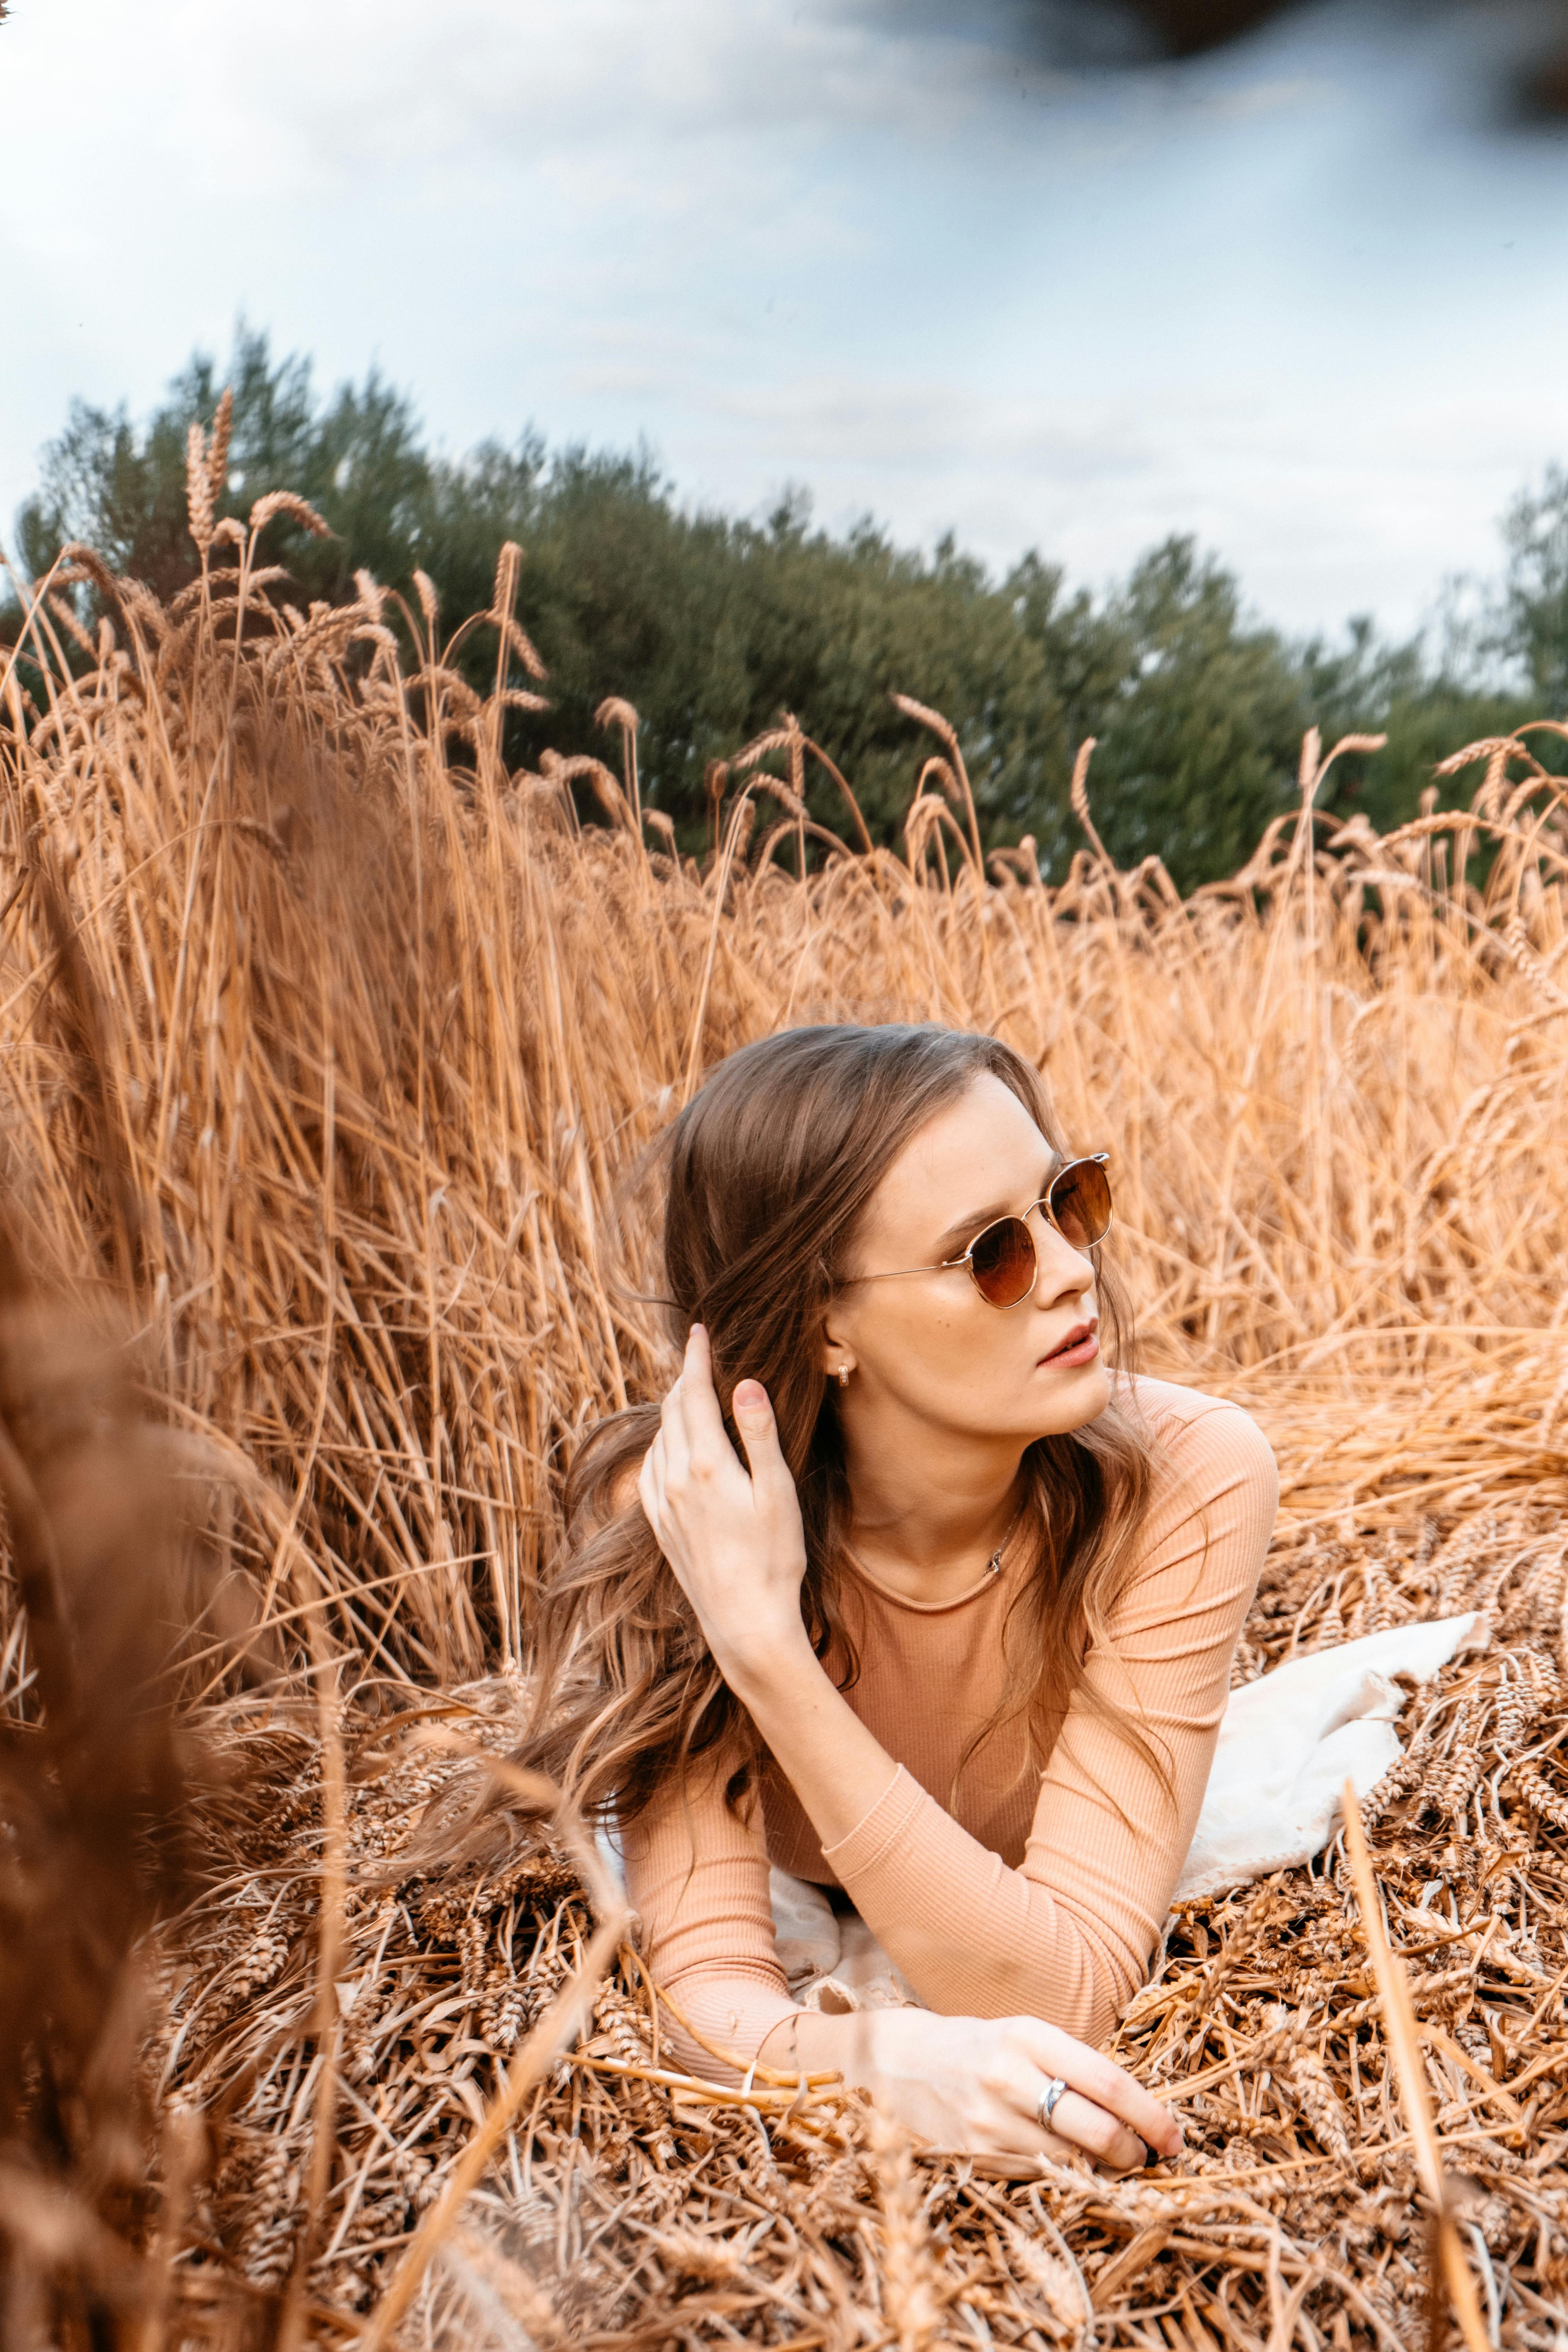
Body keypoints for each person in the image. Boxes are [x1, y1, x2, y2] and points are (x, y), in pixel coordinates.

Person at [526, 1024, 1277, 2171]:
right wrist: (877, 2067)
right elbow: (706, 1990)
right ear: (828, 1325)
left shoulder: (1190, 1475)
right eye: (992, 1254)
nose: (1075, 1270)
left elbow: (1065, 1991)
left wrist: (769, 1659)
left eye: (1066, 1202)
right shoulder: (685, 1510)